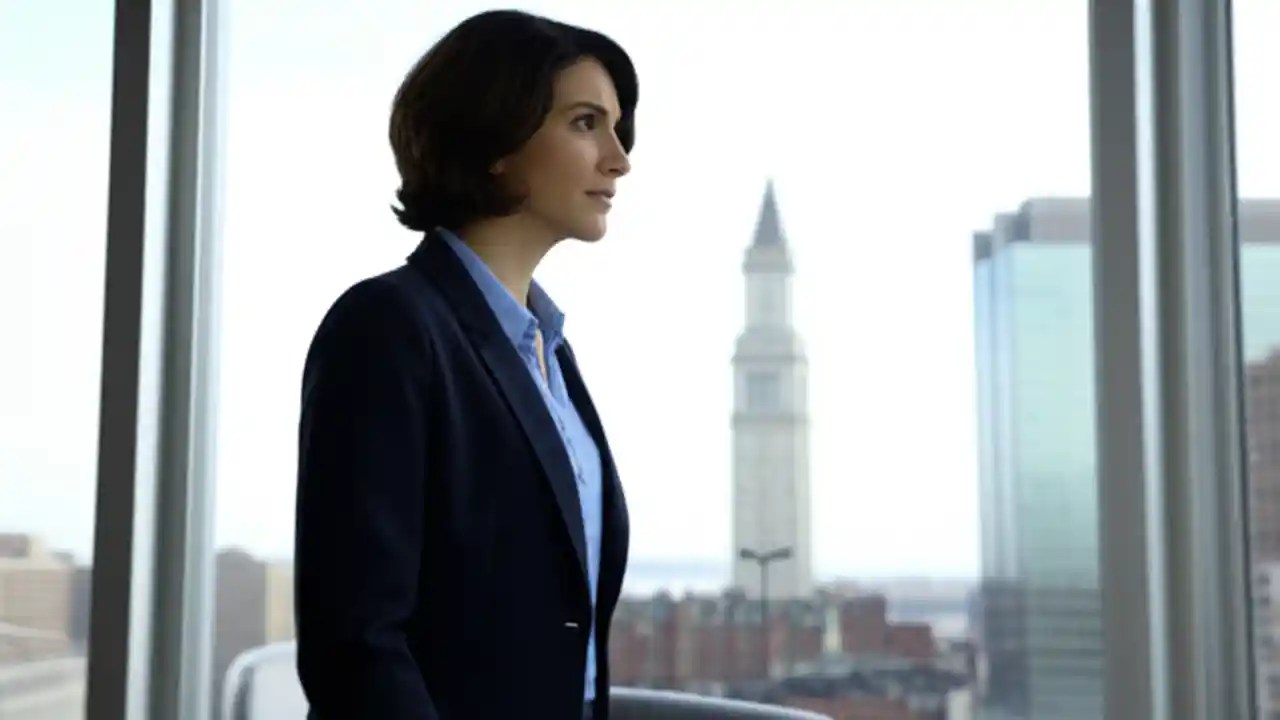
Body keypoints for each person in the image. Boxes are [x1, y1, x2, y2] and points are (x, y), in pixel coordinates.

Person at [292, 9, 635, 720]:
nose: (618, 157)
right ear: (496, 142)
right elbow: (355, 644)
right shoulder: (389, 328)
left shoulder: (550, 353)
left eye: (617, 125)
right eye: (584, 123)